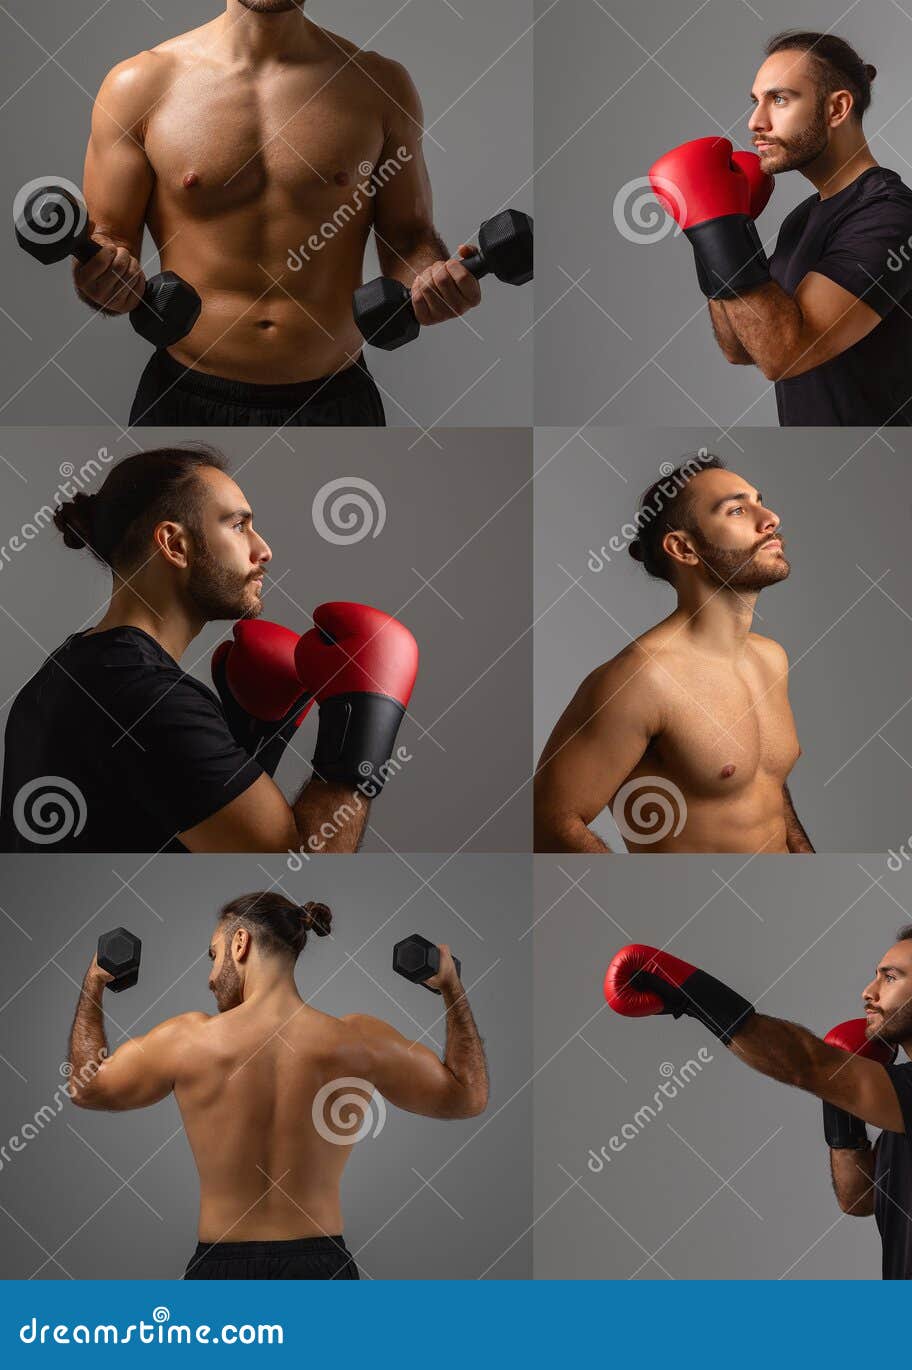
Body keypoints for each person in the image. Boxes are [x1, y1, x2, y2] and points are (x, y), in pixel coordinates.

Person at [77, 1, 483, 426]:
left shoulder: (379, 85)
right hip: (183, 393)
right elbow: (108, 240)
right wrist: (102, 276)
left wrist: (431, 282)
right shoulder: (138, 85)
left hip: (335, 397)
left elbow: (408, 236)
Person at [1, 445, 418, 853]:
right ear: (175, 545)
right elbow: (297, 871)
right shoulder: (153, 700)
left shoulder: (65, 670)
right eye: (238, 526)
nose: (263, 549)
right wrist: (361, 731)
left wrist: (256, 737)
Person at [68, 893, 487, 1279]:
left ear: (240, 943)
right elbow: (467, 1096)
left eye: (214, 956)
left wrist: (94, 983)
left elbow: (86, 1087)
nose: (212, 977)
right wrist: (451, 987)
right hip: (321, 1270)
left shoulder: (188, 1040)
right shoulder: (359, 1041)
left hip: (220, 1270)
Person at [605, 925, 912, 1279]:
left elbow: (805, 1064)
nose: (868, 992)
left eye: (890, 977)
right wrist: (839, 1098)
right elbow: (858, 1198)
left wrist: (693, 994)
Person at [652, 31, 912, 426]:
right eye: (756, 102)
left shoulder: (889, 218)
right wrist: (716, 228)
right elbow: (741, 346)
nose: (756, 122)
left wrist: (718, 225)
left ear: (837, 108)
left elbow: (783, 355)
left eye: (779, 99)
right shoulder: (804, 217)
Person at [534, 454, 809, 853]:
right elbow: (549, 823)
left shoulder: (771, 659)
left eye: (759, 500)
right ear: (683, 548)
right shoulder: (642, 679)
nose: (770, 519)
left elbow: (767, 786)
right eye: (736, 509)